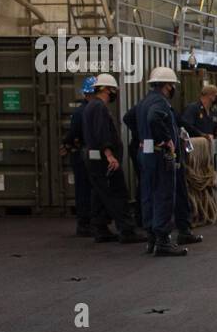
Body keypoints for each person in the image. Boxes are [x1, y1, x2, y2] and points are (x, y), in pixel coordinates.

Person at [81, 73, 142, 244]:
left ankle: (100, 228)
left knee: (100, 194)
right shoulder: (99, 107)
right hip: (103, 159)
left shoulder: (90, 106)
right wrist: (109, 155)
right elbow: (102, 133)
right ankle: (127, 231)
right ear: (107, 89)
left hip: (94, 159)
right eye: (113, 90)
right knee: (117, 193)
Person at [135, 67, 189, 257]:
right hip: (159, 155)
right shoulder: (160, 102)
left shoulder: (143, 102)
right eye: (172, 86)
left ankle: (151, 238)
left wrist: (145, 137)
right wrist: (166, 140)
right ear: (167, 86)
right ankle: (163, 240)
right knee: (164, 195)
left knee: (148, 195)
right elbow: (154, 117)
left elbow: (129, 118)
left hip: (145, 153)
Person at [61, 76, 95, 236]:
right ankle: (84, 224)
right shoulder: (84, 111)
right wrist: (67, 144)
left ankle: (87, 222)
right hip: (82, 154)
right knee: (84, 189)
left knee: (87, 189)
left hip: (82, 152)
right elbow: (73, 133)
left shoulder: (84, 110)